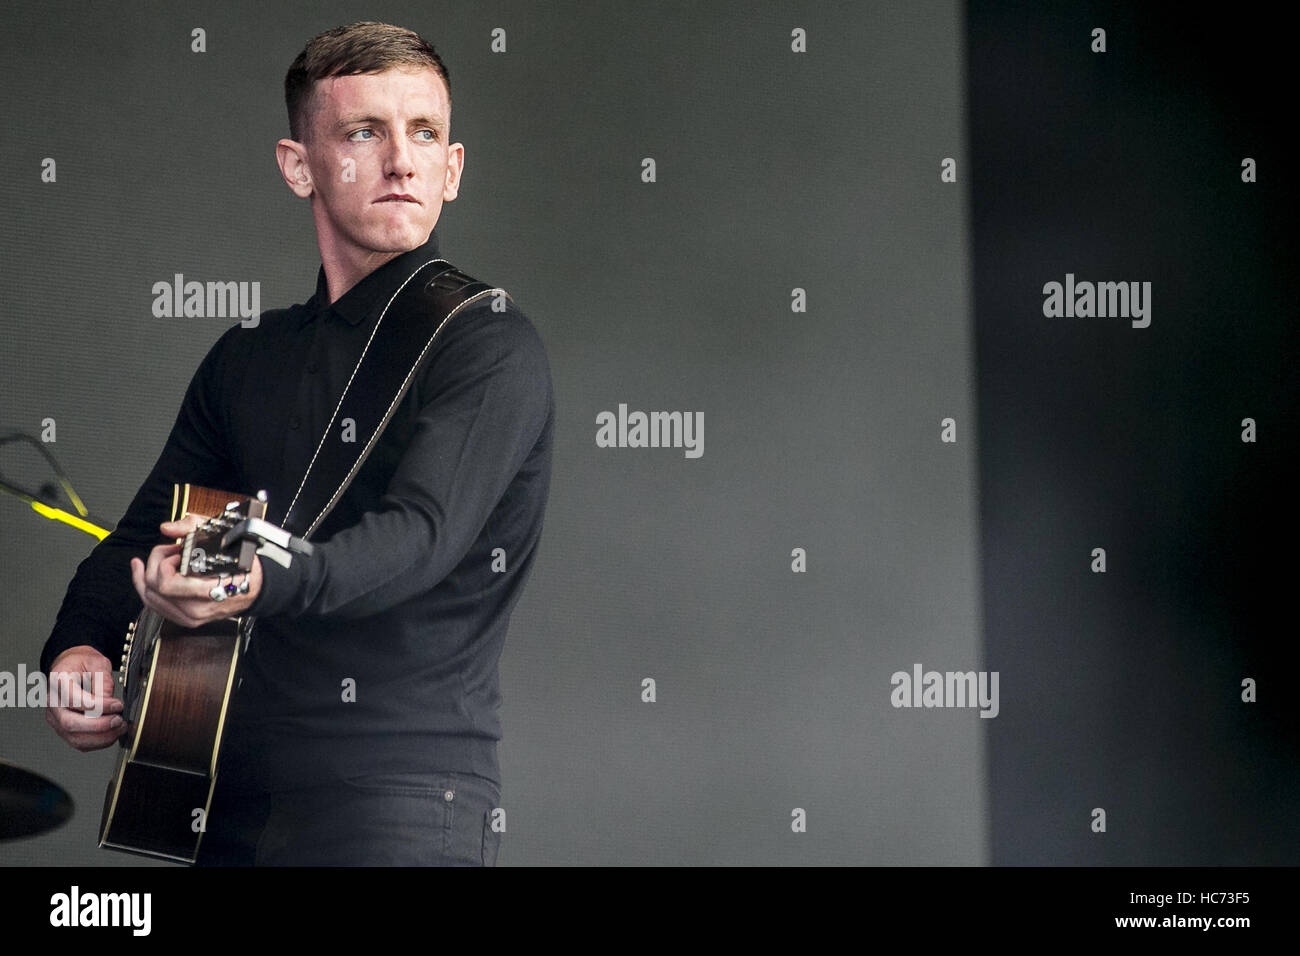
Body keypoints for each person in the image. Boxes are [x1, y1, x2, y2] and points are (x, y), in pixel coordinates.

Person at [40, 21, 555, 866]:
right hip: (220, 796)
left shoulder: (483, 343)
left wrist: (253, 580)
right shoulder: (249, 354)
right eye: (364, 132)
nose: (401, 160)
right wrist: (80, 646)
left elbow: (418, 539)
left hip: (394, 799)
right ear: (298, 165)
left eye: (424, 133)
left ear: (452, 168)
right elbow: (144, 536)